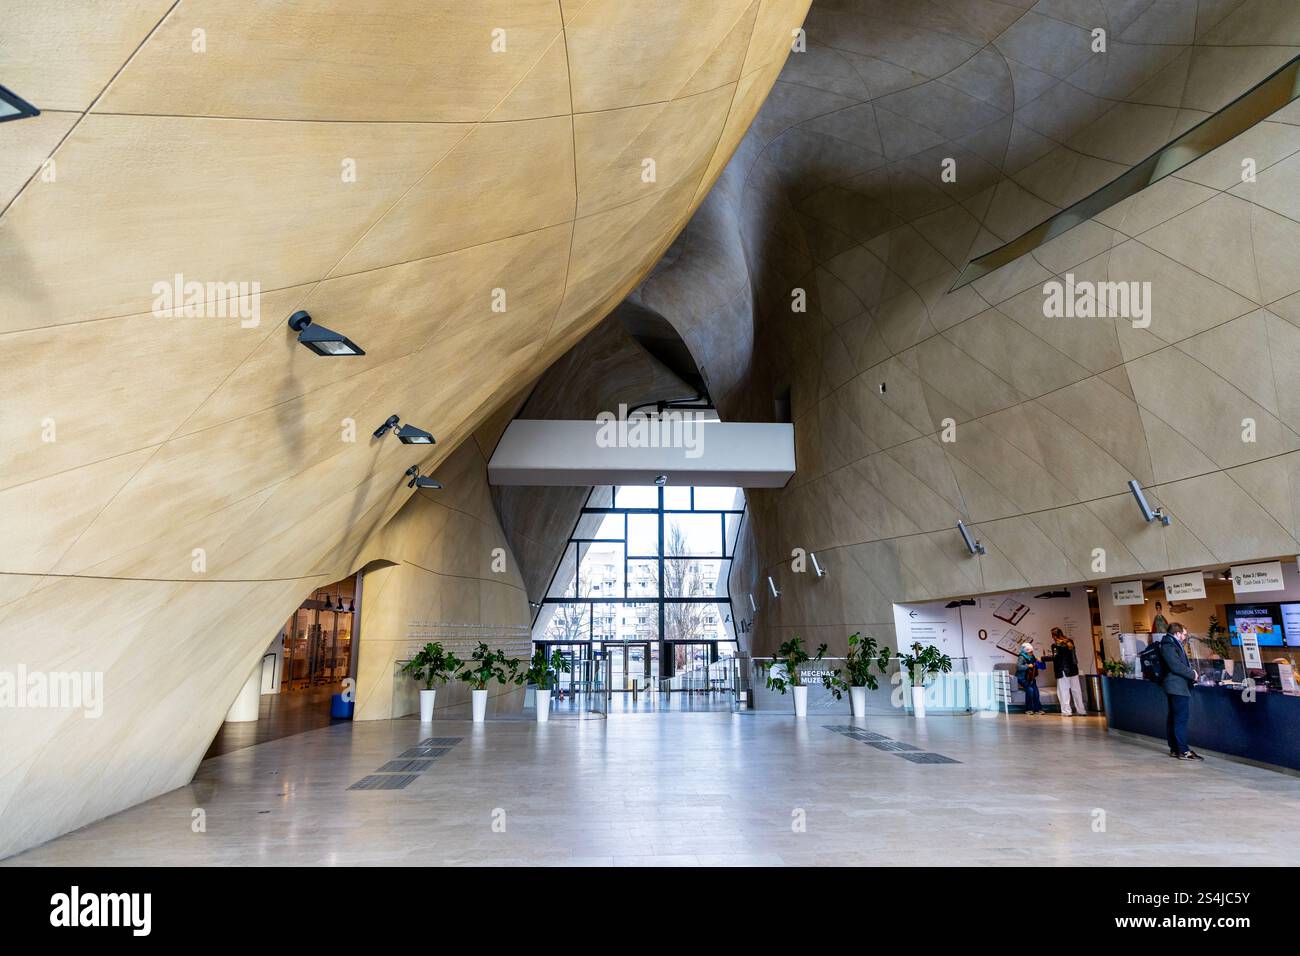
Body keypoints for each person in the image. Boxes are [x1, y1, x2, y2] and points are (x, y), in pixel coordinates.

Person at [1161, 622, 1202, 760]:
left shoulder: (1171, 643)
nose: (1185, 637)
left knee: (1174, 718)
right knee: (1180, 719)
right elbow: (1175, 666)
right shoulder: (1168, 645)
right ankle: (1183, 750)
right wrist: (1193, 674)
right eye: (1184, 634)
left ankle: (1175, 748)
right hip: (1176, 687)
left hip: (1177, 686)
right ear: (1177, 633)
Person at [1045, 628, 1085, 717]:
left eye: (1052, 635)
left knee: (1063, 692)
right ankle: (1081, 710)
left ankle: (1067, 711)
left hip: (1063, 671)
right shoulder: (1070, 642)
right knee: (1076, 691)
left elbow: (1056, 658)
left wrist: (1043, 659)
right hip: (1074, 670)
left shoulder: (1055, 645)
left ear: (1054, 636)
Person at [1017, 642, 1043, 715]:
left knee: (1036, 691)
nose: (1032, 653)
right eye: (1030, 652)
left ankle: (1038, 709)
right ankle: (1029, 709)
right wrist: (1028, 666)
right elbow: (1018, 667)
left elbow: (1036, 664)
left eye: (1032, 651)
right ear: (1025, 651)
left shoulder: (1032, 656)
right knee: (1030, 690)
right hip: (1022, 678)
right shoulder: (1021, 657)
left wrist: (1038, 661)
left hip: (1030, 677)